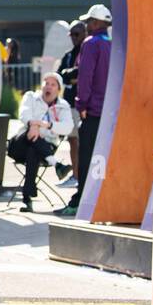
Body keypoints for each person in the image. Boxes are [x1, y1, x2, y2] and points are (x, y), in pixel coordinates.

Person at [61, 4, 112, 217]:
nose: (87, 25)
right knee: (105, 158)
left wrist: (81, 104)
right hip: (109, 110)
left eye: (90, 21)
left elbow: (85, 76)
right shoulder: (112, 43)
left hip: (92, 110)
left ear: (97, 23)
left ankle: (81, 200)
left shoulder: (91, 44)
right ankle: (102, 200)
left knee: (86, 158)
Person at [8, 73, 74, 211]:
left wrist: (47, 125)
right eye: (46, 83)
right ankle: (57, 164)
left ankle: (27, 199)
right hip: (20, 144)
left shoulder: (63, 106)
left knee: (34, 150)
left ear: (58, 90)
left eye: (53, 84)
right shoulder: (31, 97)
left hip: (43, 149)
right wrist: (33, 124)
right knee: (32, 135)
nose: (48, 87)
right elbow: (24, 113)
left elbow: (68, 127)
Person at [56, 21, 87, 187]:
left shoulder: (87, 52)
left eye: (77, 34)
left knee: (82, 142)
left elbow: (81, 75)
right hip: (69, 104)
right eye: (72, 35)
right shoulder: (68, 55)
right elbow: (60, 76)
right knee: (72, 140)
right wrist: (70, 77)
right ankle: (75, 175)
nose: (74, 38)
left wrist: (72, 77)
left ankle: (83, 177)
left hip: (82, 104)